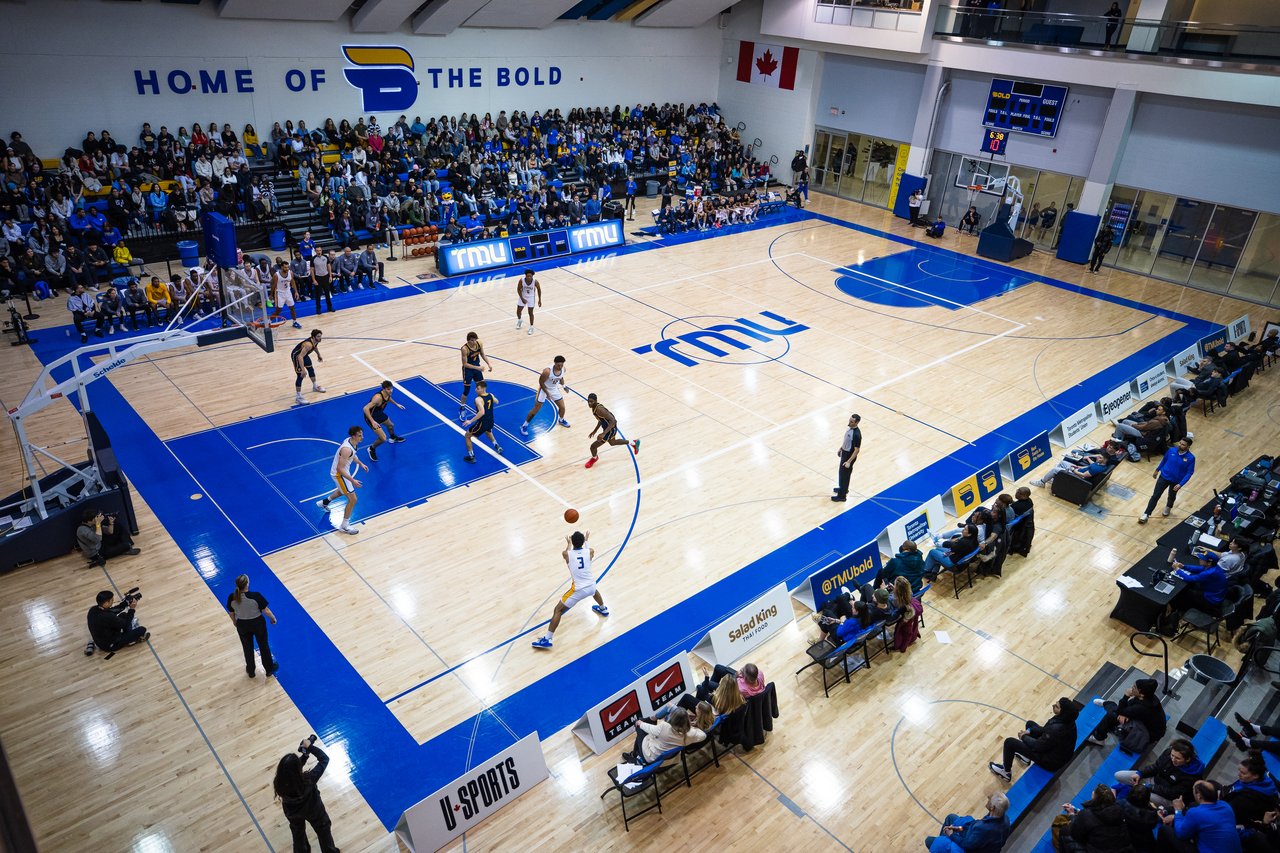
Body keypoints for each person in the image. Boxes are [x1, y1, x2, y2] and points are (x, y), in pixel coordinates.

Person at [531, 530, 609, 650]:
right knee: (593, 590)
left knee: (557, 610)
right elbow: (589, 550)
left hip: (577, 589)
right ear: (583, 541)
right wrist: (586, 540)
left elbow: (567, 552)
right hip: (591, 585)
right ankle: (603, 609)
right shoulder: (590, 552)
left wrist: (568, 543)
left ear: (572, 542)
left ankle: (547, 638)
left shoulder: (567, 554)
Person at [988, 697, 1078, 782]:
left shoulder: (1056, 729)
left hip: (1050, 762)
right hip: (1055, 753)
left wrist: (1023, 736)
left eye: (1057, 706)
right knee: (1030, 725)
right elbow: (1045, 730)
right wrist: (1030, 731)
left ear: (1063, 712)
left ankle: (1006, 772)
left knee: (1009, 742)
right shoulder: (1067, 720)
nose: (1053, 706)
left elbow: (1038, 746)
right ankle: (1026, 758)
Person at [273, 738, 340, 853]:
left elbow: (292, 771)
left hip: (293, 812)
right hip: (314, 810)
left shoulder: (279, 782)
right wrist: (310, 747)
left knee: (298, 835)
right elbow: (324, 759)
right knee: (323, 830)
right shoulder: (309, 779)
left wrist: (304, 756)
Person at [1156, 780, 1241, 853]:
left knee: (1164, 830)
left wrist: (1178, 811)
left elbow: (1181, 834)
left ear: (1199, 796)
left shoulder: (1195, 812)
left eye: (1193, 789)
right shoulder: (1226, 806)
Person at [1116, 739, 1203, 808]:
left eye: (1178, 758)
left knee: (1140, 795)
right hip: (1154, 781)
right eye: (1172, 755)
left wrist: (1150, 787)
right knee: (1119, 775)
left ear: (1187, 759)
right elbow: (1156, 767)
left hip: (1168, 797)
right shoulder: (1168, 752)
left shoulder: (1192, 776)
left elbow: (1172, 793)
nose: (1173, 759)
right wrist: (1140, 774)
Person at [1086, 678, 1165, 750]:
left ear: (1141, 693)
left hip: (1147, 735)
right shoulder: (1149, 696)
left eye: (1134, 687)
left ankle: (1099, 738)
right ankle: (1107, 704)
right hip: (1149, 726)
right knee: (1118, 713)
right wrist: (1125, 713)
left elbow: (1120, 710)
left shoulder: (1142, 707)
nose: (1131, 688)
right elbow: (1131, 703)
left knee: (1112, 715)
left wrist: (1126, 696)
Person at [226, 574, 278, 679]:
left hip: (242, 625)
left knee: (247, 648)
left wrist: (235, 622)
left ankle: (251, 671)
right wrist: (273, 618)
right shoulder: (256, 596)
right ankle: (269, 669)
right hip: (257, 624)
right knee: (263, 646)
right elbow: (266, 610)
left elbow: (231, 613)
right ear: (247, 584)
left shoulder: (232, 597)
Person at [317, 426, 366, 535]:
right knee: (353, 499)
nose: (362, 437)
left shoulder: (351, 442)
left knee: (343, 490)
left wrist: (361, 463)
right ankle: (344, 526)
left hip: (343, 472)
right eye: (359, 435)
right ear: (353, 436)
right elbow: (340, 468)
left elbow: (353, 456)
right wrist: (352, 480)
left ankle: (324, 502)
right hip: (340, 474)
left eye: (362, 434)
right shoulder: (346, 449)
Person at [924, 792, 1010, 853]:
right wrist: (958, 828)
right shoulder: (1005, 819)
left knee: (929, 841)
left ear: (992, 807)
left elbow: (967, 844)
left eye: (989, 800)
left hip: (969, 848)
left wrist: (951, 834)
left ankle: (943, 843)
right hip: (979, 842)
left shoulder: (984, 828)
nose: (987, 799)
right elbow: (974, 831)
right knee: (951, 817)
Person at [622, 705, 705, 766]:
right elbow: (703, 735)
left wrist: (639, 722)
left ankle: (634, 755)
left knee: (639, 726)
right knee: (647, 725)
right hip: (672, 757)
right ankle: (634, 753)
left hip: (651, 757)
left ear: (673, 718)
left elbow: (648, 728)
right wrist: (691, 727)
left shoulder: (665, 727)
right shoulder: (690, 734)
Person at [1059, 784, 1130, 853]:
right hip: (1124, 848)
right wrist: (1077, 811)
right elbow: (1095, 817)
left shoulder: (1086, 814)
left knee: (1064, 830)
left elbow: (1076, 834)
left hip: (1100, 850)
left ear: (1095, 799)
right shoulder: (1119, 809)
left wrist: (1071, 814)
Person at [1139, 438, 1194, 524]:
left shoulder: (1191, 458)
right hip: (1164, 477)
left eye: (1183, 444)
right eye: (1180, 443)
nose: (1180, 445)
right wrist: (1157, 470)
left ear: (1188, 447)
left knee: (1171, 496)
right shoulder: (1171, 450)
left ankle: (1168, 507)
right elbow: (1164, 460)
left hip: (1176, 481)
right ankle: (1146, 514)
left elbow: (1189, 473)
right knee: (1155, 496)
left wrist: (1181, 484)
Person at [584, 393, 638, 468]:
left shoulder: (599, 409)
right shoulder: (594, 408)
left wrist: (603, 433)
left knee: (593, 447)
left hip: (610, 429)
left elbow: (613, 421)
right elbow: (601, 420)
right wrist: (595, 431)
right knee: (612, 442)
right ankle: (633, 443)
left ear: (596, 401)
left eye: (592, 401)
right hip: (608, 428)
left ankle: (594, 458)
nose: (589, 403)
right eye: (588, 401)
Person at [521, 355, 570, 435]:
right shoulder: (547, 371)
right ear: (554, 363)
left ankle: (561, 420)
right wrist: (547, 393)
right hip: (544, 389)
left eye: (562, 365)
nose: (560, 367)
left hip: (554, 389)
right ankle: (524, 425)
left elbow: (561, 378)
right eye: (558, 365)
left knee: (562, 407)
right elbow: (541, 382)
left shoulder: (563, 369)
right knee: (537, 408)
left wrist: (564, 386)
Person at [1170, 549, 1228, 617]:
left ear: (1209, 563)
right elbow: (1199, 568)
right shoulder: (1214, 567)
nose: (1200, 559)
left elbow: (1189, 579)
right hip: (1215, 593)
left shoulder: (1209, 573)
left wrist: (1177, 569)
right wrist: (1183, 566)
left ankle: (1179, 611)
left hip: (1210, 599)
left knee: (1183, 593)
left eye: (1202, 559)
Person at [361, 380, 406, 462]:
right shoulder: (377, 398)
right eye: (389, 389)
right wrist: (373, 421)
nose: (391, 390)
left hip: (378, 413)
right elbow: (365, 408)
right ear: (384, 389)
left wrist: (397, 404)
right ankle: (371, 449)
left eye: (392, 388)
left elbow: (388, 399)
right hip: (370, 417)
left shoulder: (387, 394)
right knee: (383, 438)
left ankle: (392, 438)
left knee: (391, 425)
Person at [462, 379, 503, 463]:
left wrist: (470, 421)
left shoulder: (478, 399)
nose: (475, 390)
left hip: (482, 423)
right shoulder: (491, 395)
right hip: (491, 421)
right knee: (488, 431)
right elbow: (497, 401)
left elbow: (482, 412)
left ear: (481, 389)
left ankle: (471, 457)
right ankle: (497, 446)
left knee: (467, 435)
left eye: (477, 388)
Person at [1030, 451, 1114, 488]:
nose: (1098, 458)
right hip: (1078, 470)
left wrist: (1073, 470)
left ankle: (1041, 482)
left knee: (1055, 469)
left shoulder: (1097, 468)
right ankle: (1054, 479)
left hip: (1077, 476)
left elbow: (1084, 476)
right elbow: (1090, 466)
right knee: (1063, 462)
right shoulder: (1101, 464)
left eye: (1100, 457)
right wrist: (1079, 467)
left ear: (1105, 459)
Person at [458, 331, 492, 419]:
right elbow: (465, 364)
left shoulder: (479, 343)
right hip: (468, 370)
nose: (474, 342)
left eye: (475, 340)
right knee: (467, 390)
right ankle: (462, 408)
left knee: (482, 387)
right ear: (468, 341)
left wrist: (489, 363)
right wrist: (478, 368)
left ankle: (480, 406)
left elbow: (483, 354)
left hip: (477, 368)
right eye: (472, 340)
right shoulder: (464, 349)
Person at [291, 329, 326, 406]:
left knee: (311, 370)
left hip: (304, 355)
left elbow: (315, 347)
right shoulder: (308, 345)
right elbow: (300, 357)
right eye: (318, 336)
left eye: (320, 336)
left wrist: (318, 354)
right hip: (297, 356)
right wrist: (303, 370)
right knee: (300, 376)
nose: (320, 338)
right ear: (313, 337)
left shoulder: (315, 341)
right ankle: (298, 397)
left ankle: (315, 386)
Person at [832, 413, 862, 503]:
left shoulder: (857, 434)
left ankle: (842, 496)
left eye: (852, 422)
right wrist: (841, 448)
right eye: (849, 420)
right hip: (845, 453)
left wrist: (849, 461)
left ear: (857, 423)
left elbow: (857, 450)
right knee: (841, 474)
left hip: (849, 456)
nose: (849, 422)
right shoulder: (849, 428)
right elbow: (846, 441)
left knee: (845, 476)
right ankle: (843, 489)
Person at [515, 268, 541, 335]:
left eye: (530, 276)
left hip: (531, 298)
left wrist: (539, 300)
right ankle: (520, 320)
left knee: (530, 312)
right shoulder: (521, 280)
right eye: (528, 276)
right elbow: (518, 289)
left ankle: (531, 327)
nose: (529, 277)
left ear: (532, 276)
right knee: (518, 311)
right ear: (525, 276)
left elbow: (539, 290)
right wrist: (522, 298)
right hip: (523, 296)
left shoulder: (535, 282)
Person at [310, 249, 333, 315]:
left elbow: (329, 267)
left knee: (327, 293)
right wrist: (314, 280)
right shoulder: (313, 259)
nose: (319, 252)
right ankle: (318, 308)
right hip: (318, 278)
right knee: (318, 294)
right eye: (317, 250)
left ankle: (329, 307)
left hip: (325, 277)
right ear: (315, 251)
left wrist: (330, 276)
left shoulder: (325, 257)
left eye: (320, 250)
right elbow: (312, 270)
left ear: (321, 251)